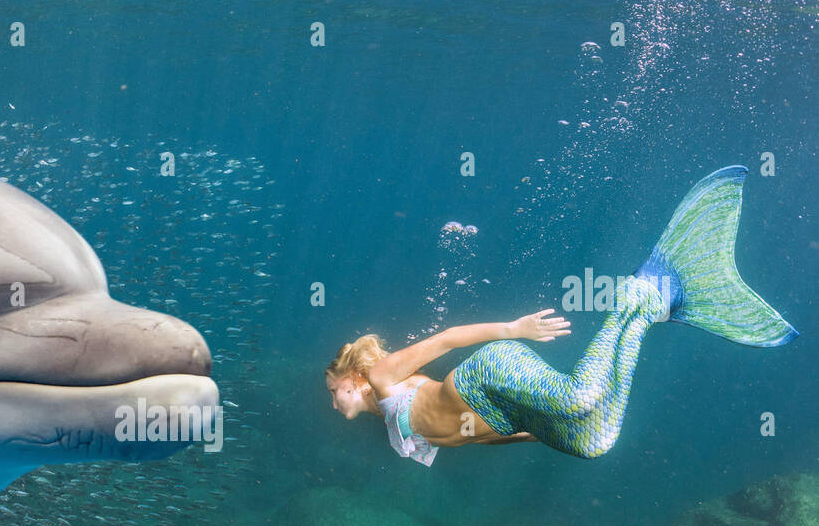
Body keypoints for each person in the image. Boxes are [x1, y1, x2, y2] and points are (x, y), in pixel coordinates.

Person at [325, 165, 798, 465]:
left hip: (484, 375)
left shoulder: (384, 376)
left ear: (353, 378)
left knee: (579, 398)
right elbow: (471, 439)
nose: (332, 402)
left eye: (333, 392)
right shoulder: (389, 425)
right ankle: (651, 306)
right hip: (504, 414)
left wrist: (514, 329)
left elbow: (447, 339)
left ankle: (634, 293)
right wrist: (530, 435)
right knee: (592, 442)